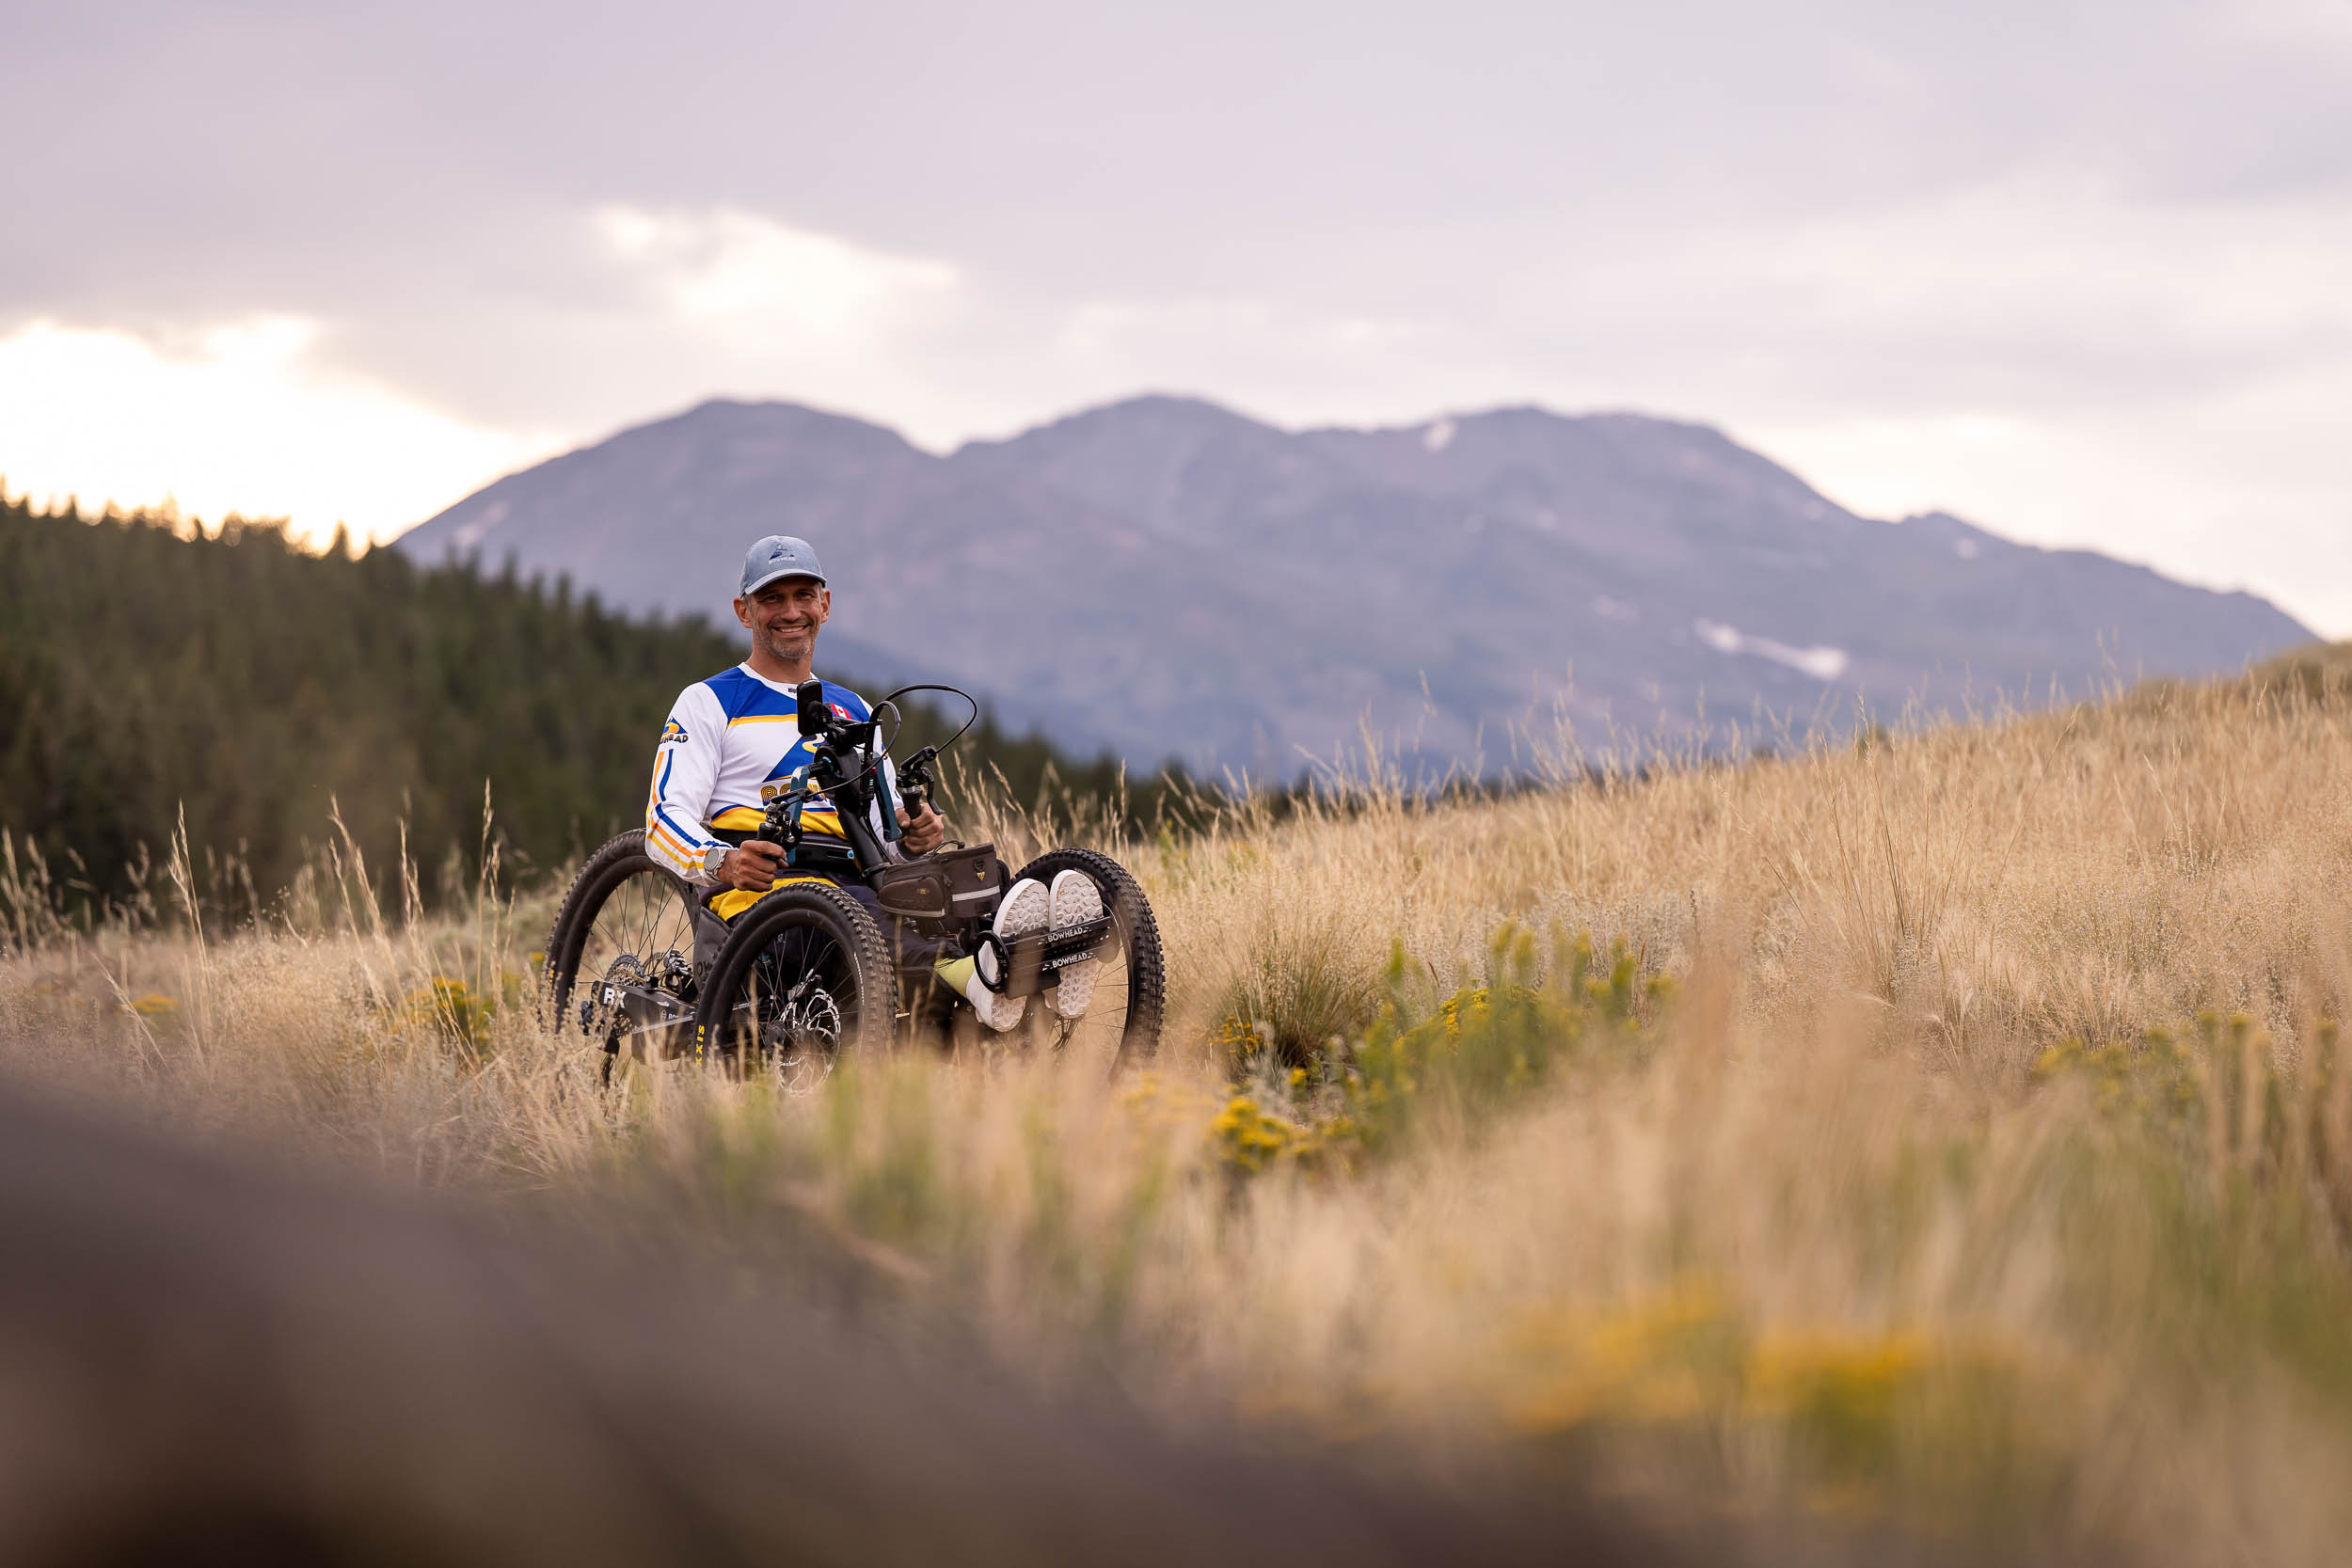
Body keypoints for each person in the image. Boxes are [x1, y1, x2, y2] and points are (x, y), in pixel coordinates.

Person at [644, 534, 1096, 1032]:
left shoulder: (854, 710)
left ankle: (1051, 959)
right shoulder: (708, 702)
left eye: (803, 596)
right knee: (864, 913)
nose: (790, 611)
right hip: (767, 893)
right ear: (744, 611)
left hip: (859, 875)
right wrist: (724, 861)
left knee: (979, 882)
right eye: (772, 598)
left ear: (825, 604)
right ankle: (972, 972)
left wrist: (912, 835)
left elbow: (886, 839)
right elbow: (664, 819)